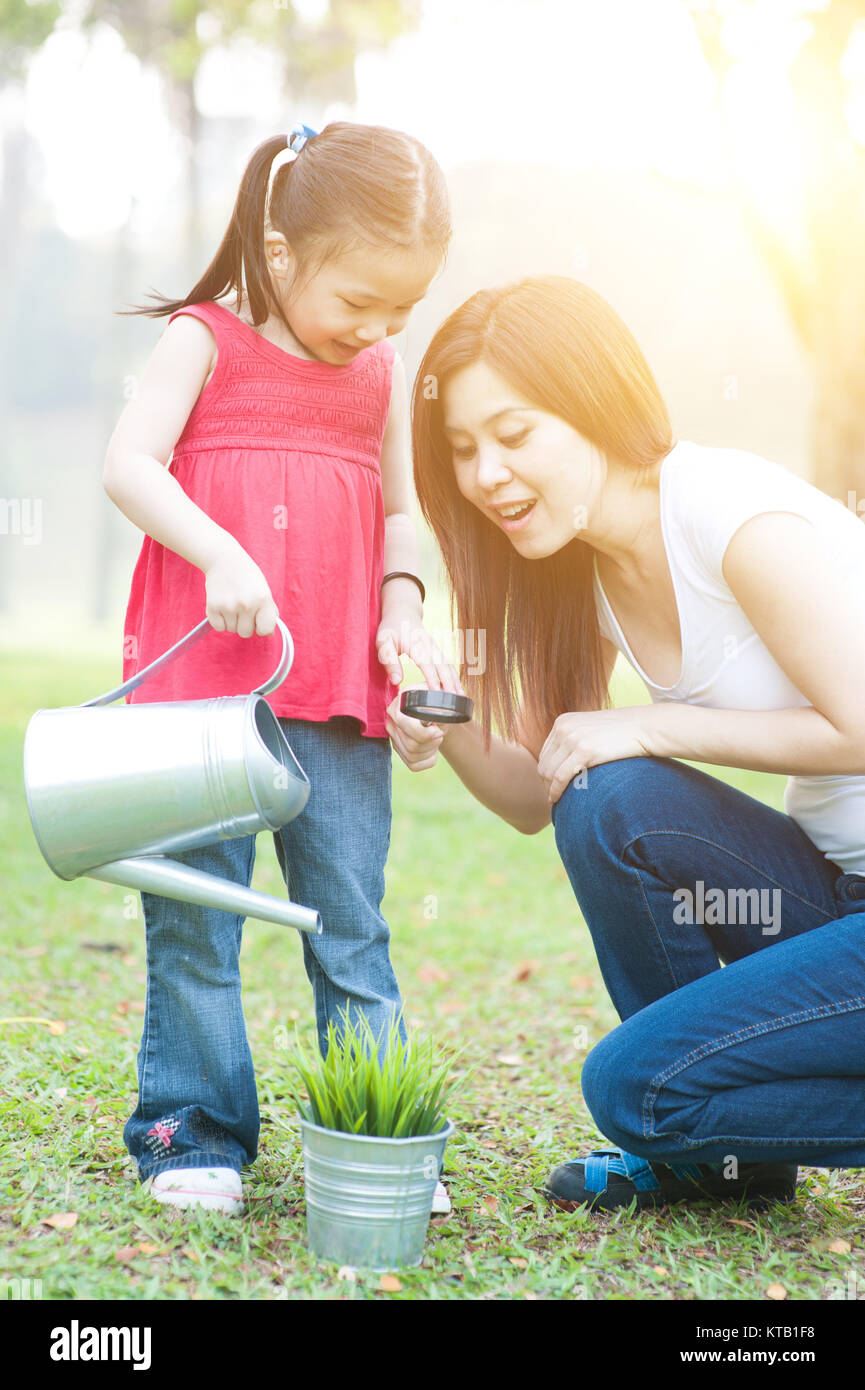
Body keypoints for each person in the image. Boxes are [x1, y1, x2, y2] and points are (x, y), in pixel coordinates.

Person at [388, 274, 865, 1213]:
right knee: (607, 796)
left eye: (514, 435)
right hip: (835, 896)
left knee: (631, 1089)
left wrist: (650, 721)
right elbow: (542, 794)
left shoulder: (733, 517)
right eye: (464, 450)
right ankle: (723, 1162)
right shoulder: (589, 570)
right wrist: (439, 721)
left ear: (593, 405)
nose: (486, 475)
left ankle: (691, 1131)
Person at [103, 122, 463, 1215]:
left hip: (338, 704)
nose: (379, 328)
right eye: (359, 300)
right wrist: (220, 549)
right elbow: (128, 463)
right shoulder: (202, 340)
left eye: (402, 309)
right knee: (199, 920)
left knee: (350, 922)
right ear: (281, 247)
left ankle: (369, 1134)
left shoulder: (378, 372)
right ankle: (193, 1135)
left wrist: (401, 612)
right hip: (203, 698)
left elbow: (403, 514)